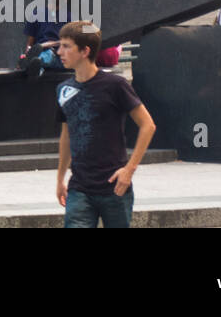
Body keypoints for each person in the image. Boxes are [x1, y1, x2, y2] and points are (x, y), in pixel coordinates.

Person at [55, 20, 155, 228]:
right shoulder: (63, 89)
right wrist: (60, 178)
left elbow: (148, 125)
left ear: (85, 51)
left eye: (66, 46)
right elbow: (66, 136)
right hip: (79, 187)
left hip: (114, 186)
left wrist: (129, 169)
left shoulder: (115, 85)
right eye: (59, 45)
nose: (59, 52)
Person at [20, 0, 73, 79]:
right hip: (39, 51)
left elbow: (70, 42)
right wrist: (27, 53)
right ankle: (33, 64)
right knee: (38, 57)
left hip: (59, 55)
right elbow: (30, 43)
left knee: (47, 55)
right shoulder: (37, 13)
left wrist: (46, 45)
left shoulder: (69, 17)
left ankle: (33, 64)